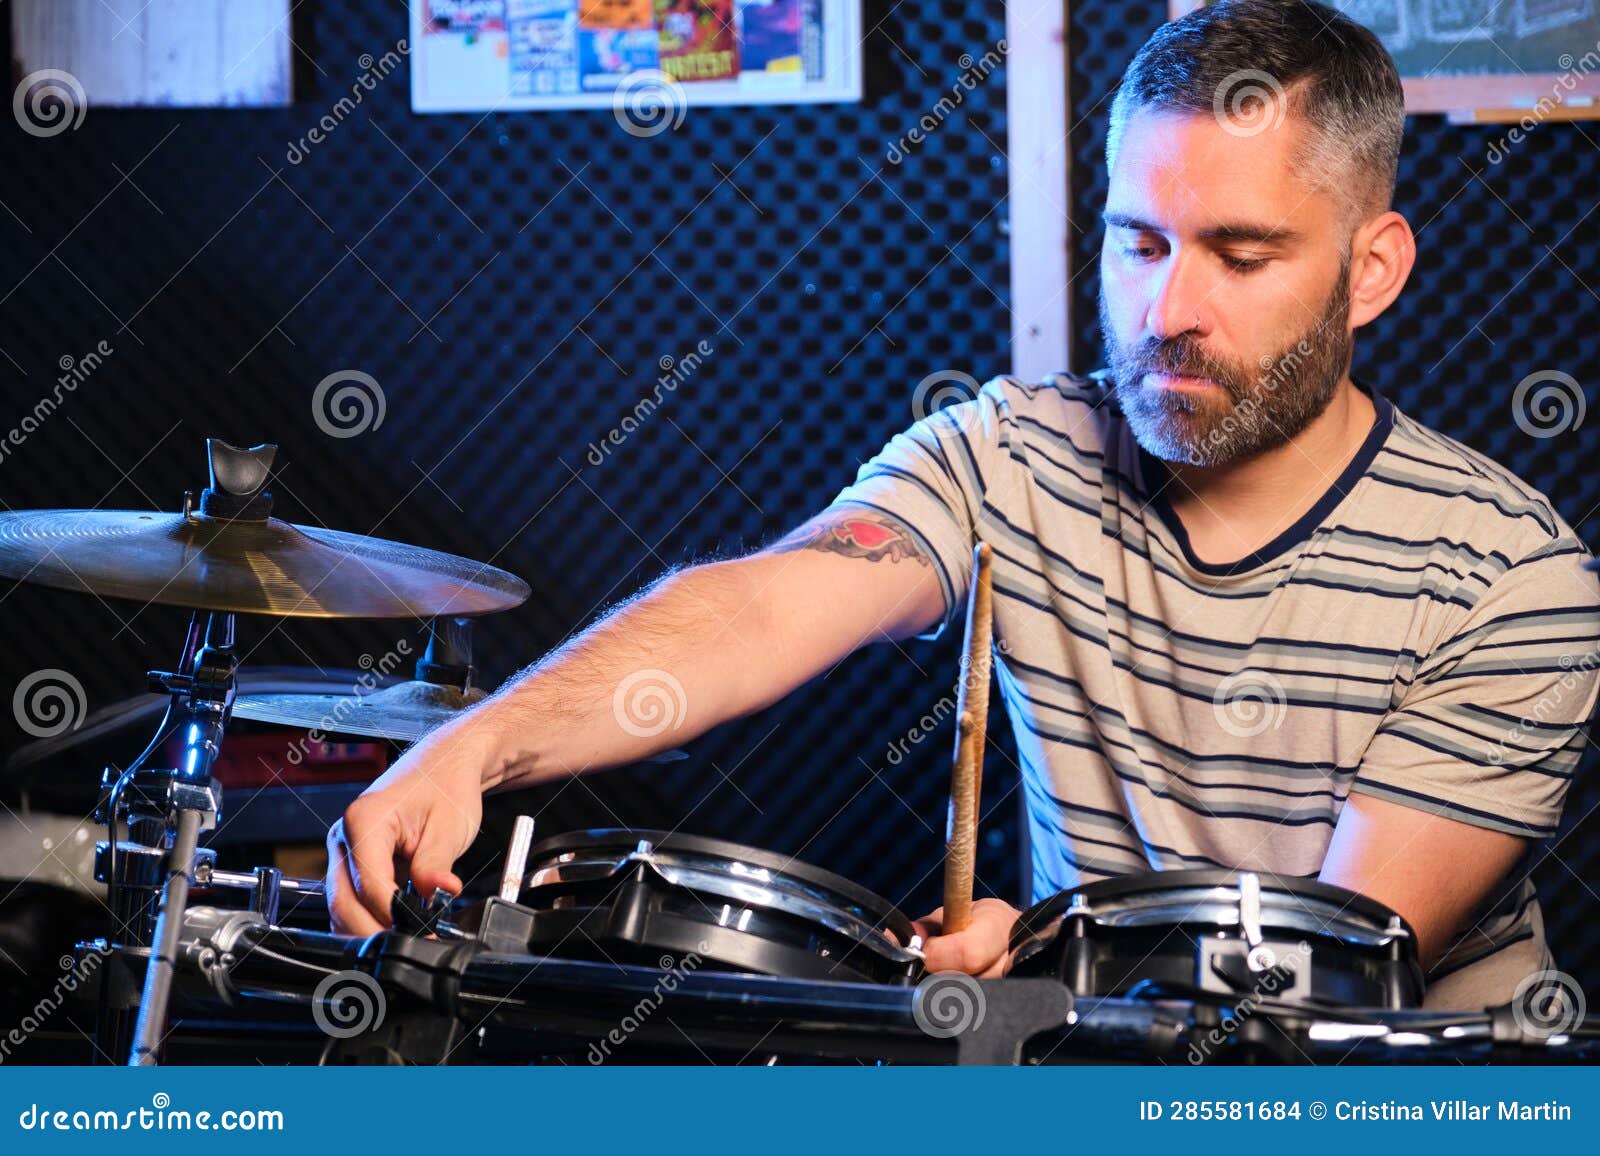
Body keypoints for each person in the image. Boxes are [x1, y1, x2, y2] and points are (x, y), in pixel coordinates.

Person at [326, 0, 1600, 1007]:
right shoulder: (1012, 452)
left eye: (1241, 254)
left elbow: (1331, 972)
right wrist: (474, 748)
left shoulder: (1512, 583)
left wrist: (1050, 955)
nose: (1167, 314)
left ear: (1370, 271)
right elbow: (765, 606)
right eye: (1139, 243)